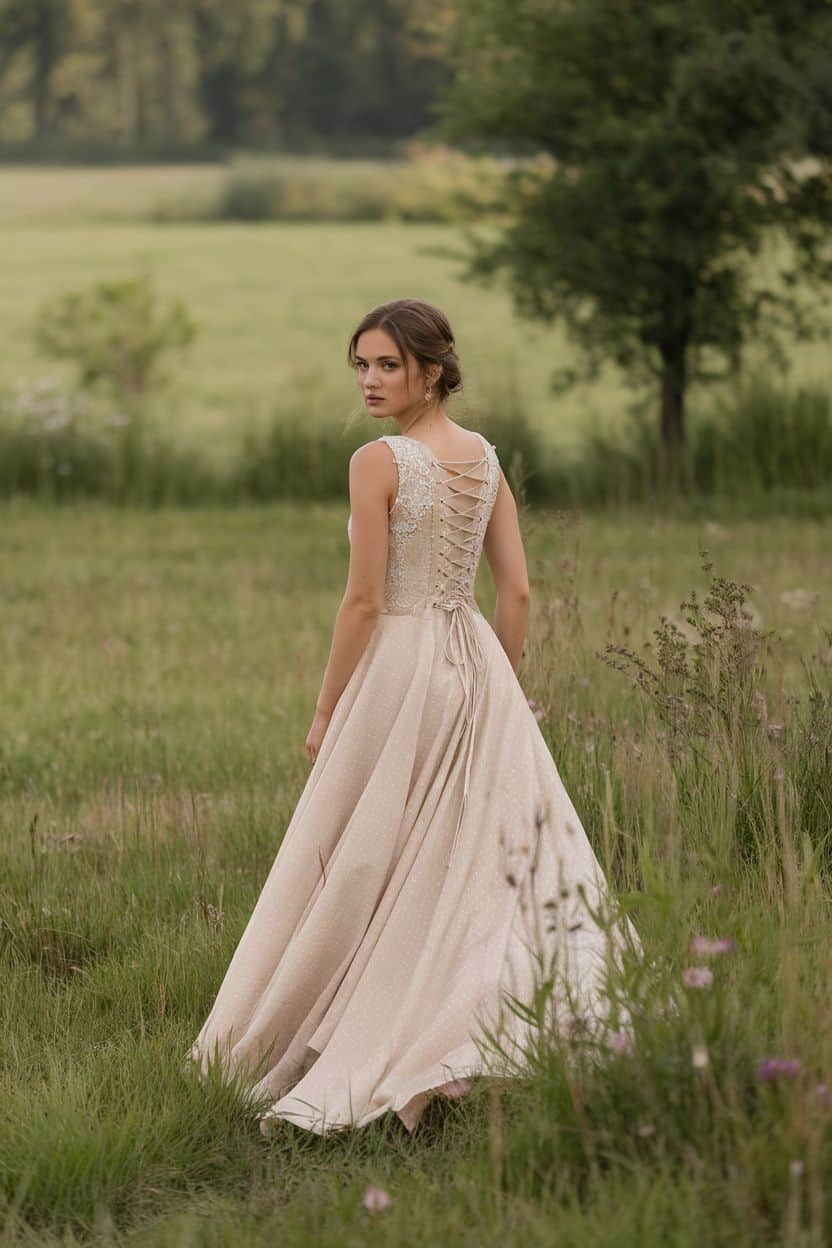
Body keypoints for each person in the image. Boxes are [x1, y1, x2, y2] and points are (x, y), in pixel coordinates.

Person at [187, 297, 639, 1135]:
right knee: (472, 858)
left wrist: (326, 711)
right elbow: (518, 591)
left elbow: (362, 601)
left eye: (386, 365)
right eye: (360, 364)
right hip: (475, 663)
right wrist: (499, 681)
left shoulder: (378, 461)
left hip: (400, 665)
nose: (369, 380)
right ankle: (490, 1019)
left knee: (372, 855)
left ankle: (380, 1030)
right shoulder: (485, 458)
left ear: (431, 370)